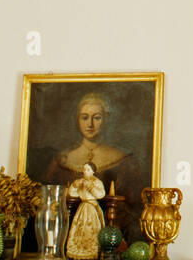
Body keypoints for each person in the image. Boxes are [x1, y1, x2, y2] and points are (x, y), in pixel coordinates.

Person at [44, 92, 145, 240]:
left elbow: (133, 209)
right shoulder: (62, 160)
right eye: (84, 117)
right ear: (77, 120)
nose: (90, 124)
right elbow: (50, 203)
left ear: (106, 120)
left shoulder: (123, 160)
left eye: (97, 118)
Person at [65, 163, 106, 260]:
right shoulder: (79, 181)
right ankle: (78, 251)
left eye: (88, 169)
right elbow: (72, 194)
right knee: (78, 228)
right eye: (84, 169)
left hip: (92, 208)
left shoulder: (97, 182)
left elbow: (101, 194)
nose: (85, 171)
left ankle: (92, 252)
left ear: (93, 171)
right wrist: (74, 186)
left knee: (92, 228)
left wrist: (91, 187)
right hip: (82, 208)